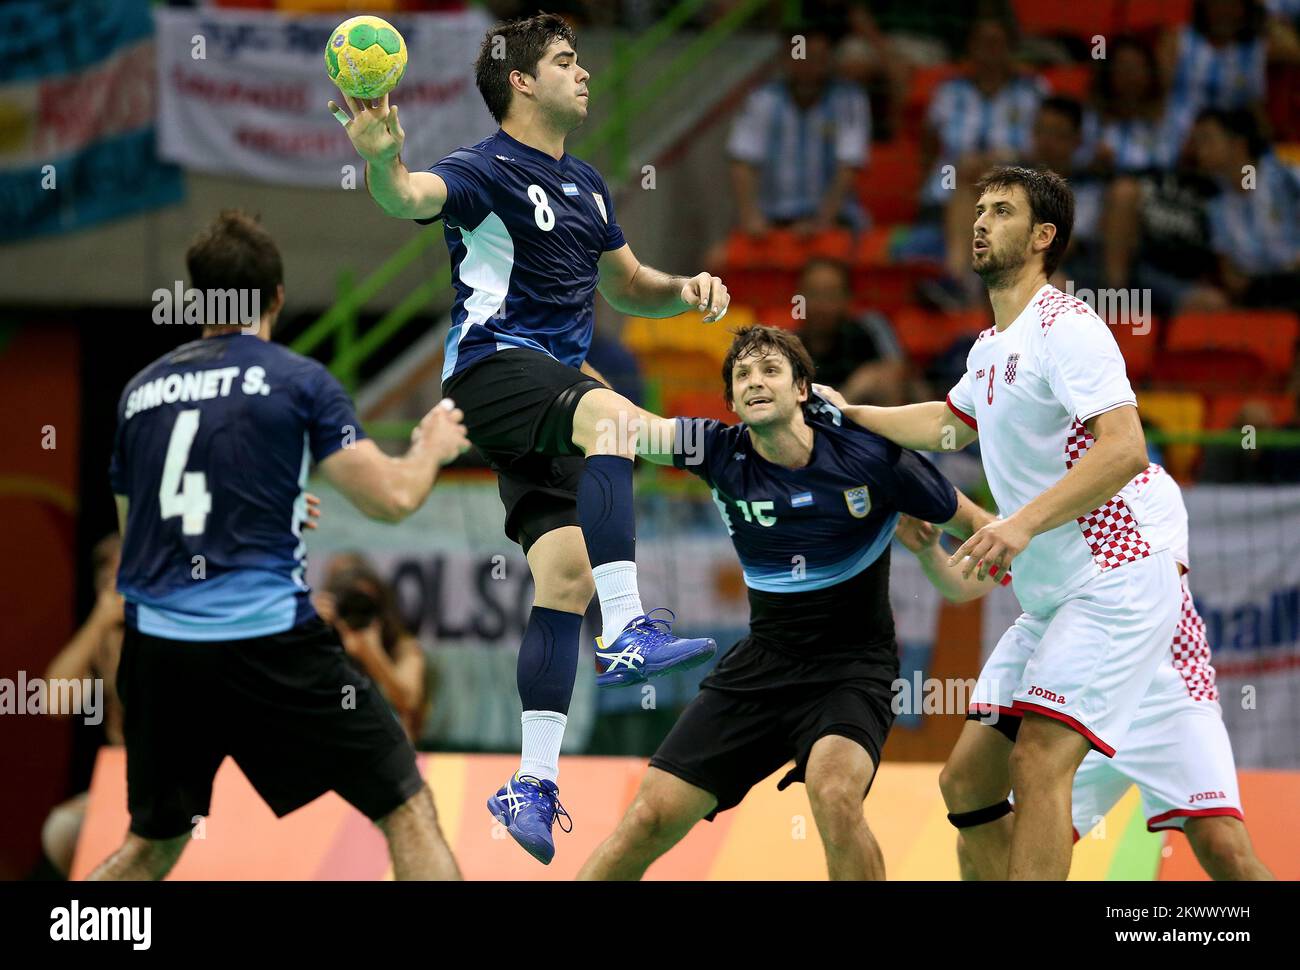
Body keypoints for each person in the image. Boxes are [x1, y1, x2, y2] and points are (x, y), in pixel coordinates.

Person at [332, 11, 729, 865]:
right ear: (520, 82)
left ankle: (533, 782)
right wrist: (377, 157)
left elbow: (629, 290)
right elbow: (408, 195)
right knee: (616, 416)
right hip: (495, 368)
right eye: (563, 59)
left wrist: (686, 287)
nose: (582, 72)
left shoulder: (587, 184)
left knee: (564, 576)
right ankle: (628, 632)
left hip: (546, 393)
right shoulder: (481, 169)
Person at [88, 210, 469, 881]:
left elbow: (140, 530)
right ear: (279, 297)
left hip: (163, 660)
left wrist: (266, 509)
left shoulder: (139, 394)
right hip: (267, 645)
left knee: (152, 846)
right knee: (406, 809)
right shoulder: (297, 382)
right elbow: (396, 500)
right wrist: (430, 448)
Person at [831, 166, 1181, 879]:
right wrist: (852, 415)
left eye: (1002, 211)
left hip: (1112, 581)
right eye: (979, 209)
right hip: (1051, 599)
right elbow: (948, 424)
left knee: (1039, 759)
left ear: (1043, 236)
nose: (980, 222)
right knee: (967, 783)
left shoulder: (1069, 327)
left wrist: (1018, 525)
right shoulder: (990, 347)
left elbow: (1124, 448)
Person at [577, 326, 994, 881]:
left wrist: (931, 558)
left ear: (803, 389)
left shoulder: (871, 458)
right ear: (730, 402)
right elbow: (629, 426)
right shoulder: (718, 451)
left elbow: (982, 532)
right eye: (742, 376)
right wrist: (557, 361)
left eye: (770, 370)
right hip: (762, 667)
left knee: (835, 794)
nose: (755, 381)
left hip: (853, 672)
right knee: (647, 818)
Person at [890, 463, 1274, 880]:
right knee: (983, 840)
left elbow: (1130, 579)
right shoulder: (1036, 499)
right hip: (1081, 692)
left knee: (1223, 847)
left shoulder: (1150, 486)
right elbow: (961, 586)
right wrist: (930, 551)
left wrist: (999, 522)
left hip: (1166, 695)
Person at [727, 27, 872, 235]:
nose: (808, 65)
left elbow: (848, 166)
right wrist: (750, 216)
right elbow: (741, 160)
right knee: (716, 261)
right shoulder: (762, 99)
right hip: (772, 217)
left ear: (829, 59)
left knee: (822, 267)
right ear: (786, 59)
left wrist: (823, 220)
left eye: (816, 58)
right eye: (800, 56)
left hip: (835, 216)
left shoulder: (849, 99)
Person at [323, 560, 429, 741]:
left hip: (387, 751)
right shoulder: (320, 642)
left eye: (365, 607)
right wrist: (316, 628)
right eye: (350, 606)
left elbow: (409, 703)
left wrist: (373, 655)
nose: (357, 615)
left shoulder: (402, 647)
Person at [795, 257, 906, 405]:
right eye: (814, 294)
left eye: (830, 295)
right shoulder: (790, 344)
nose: (821, 304)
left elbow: (897, 370)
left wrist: (865, 380)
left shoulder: (870, 328)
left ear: (847, 298)